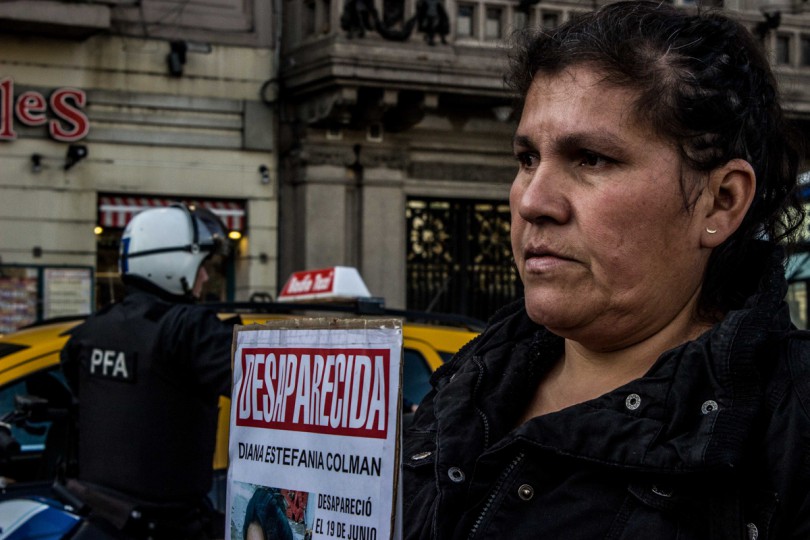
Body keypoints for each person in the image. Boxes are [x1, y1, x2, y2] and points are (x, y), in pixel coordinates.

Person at [403, 2, 810, 538]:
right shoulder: (464, 387)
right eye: (527, 159)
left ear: (721, 201)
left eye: (591, 158)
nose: (533, 201)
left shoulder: (790, 432)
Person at [61, 203, 235, 538]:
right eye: (202, 265)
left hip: (101, 518)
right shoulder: (188, 329)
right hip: (170, 526)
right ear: (174, 262)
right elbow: (269, 386)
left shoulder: (93, 329)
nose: (205, 277)